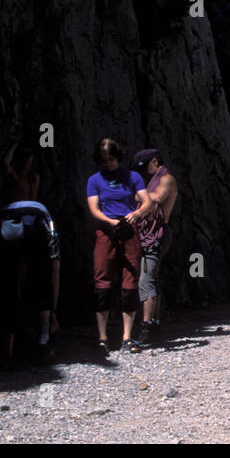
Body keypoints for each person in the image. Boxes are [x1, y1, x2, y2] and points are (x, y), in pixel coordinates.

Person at [0, 141, 60, 365]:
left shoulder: (33, 179)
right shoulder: (14, 178)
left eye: (29, 156)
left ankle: (38, 342)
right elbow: (4, 164)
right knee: (18, 283)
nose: (28, 159)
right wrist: (12, 145)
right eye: (25, 156)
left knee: (31, 282)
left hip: (29, 225)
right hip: (23, 226)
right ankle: (19, 348)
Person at [86, 137, 153, 354]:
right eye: (105, 160)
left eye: (112, 159)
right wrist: (112, 222)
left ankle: (127, 337)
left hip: (128, 230)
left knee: (129, 281)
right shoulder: (94, 180)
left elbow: (147, 201)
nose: (109, 164)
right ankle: (102, 337)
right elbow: (94, 209)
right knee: (102, 281)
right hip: (106, 231)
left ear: (118, 157)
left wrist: (136, 214)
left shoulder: (132, 177)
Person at [132, 148, 179, 348]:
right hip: (147, 234)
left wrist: (135, 194)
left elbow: (157, 198)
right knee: (151, 279)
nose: (142, 173)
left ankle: (147, 328)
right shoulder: (150, 181)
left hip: (158, 234)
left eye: (144, 168)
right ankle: (155, 325)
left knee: (146, 280)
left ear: (154, 161)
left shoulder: (167, 179)